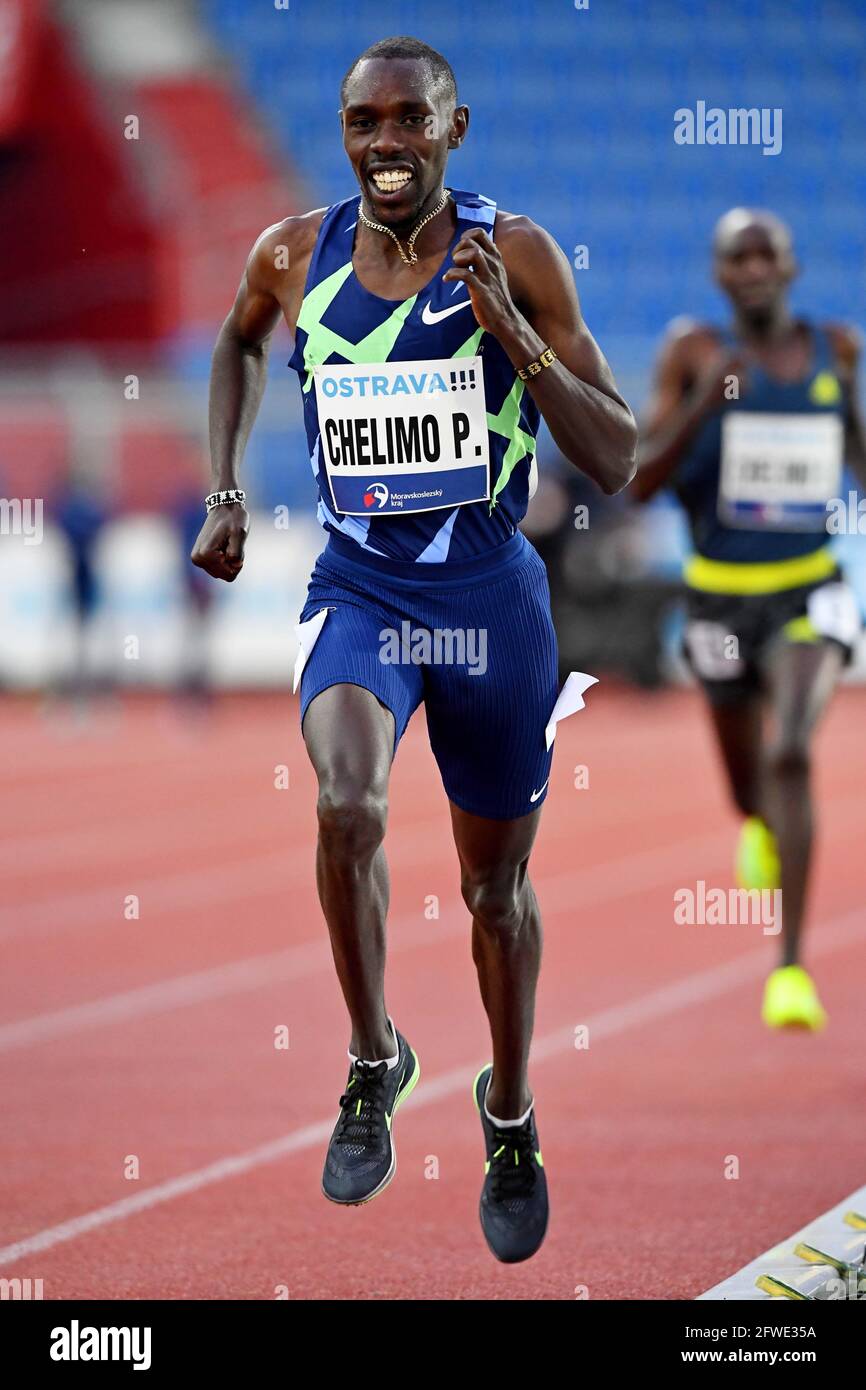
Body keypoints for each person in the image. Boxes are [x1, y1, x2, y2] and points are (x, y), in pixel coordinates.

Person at [192, 35, 635, 1262]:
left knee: (494, 889)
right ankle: (373, 1057)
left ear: (454, 127)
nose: (383, 143)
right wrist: (223, 487)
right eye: (360, 122)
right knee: (346, 804)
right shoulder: (293, 253)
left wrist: (515, 336)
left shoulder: (519, 254)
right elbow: (234, 343)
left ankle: (507, 1110)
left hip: (492, 600)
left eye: (407, 121)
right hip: (362, 589)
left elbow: (616, 455)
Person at [633, 207, 865, 1031]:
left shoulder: (835, 349)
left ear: (793, 267)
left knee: (793, 749)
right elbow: (638, 481)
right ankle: (761, 824)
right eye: (741, 256)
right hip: (718, 597)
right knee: (746, 788)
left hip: (808, 587)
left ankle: (791, 967)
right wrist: (704, 399)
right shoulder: (691, 352)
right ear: (720, 274)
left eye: (771, 253)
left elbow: (855, 453)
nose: (757, 266)